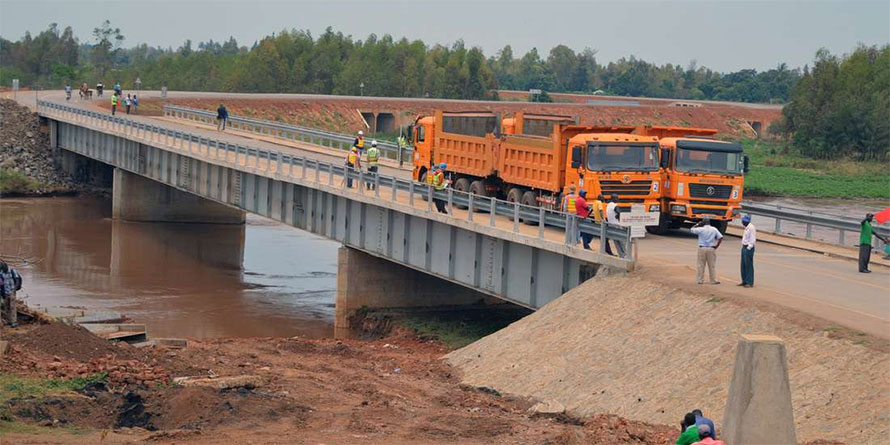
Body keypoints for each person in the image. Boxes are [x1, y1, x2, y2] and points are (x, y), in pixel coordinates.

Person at [691, 218, 723, 284]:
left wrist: (697, 224)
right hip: (711, 248)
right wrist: (716, 246)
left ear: (703, 223)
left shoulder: (701, 229)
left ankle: (700, 280)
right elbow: (720, 237)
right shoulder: (714, 229)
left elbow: (692, 229)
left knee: (701, 265)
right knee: (712, 265)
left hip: (702, 248)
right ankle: (713, 280)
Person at [0, 260, 22, 327]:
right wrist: (2, 293)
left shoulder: (12, 271)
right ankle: (9, 321)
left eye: (3, 268)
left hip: (12, 291)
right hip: (5, 292)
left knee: (12, 307)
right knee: (7, 307)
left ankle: (14, 322)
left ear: (6, 266)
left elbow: (17, 280)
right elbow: (2, 284)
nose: (2, 270)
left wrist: (14, 289)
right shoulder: (1, 273)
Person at [738, 215, 756, 287]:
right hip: (744, 246)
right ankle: (744, 281)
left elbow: (752, 239)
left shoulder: (751, 228)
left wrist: (749, 248)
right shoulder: (746, 228)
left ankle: (749, 282)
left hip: (748, 247)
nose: (742, 222)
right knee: (743, 265)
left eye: (743, 221)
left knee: (748, 265)